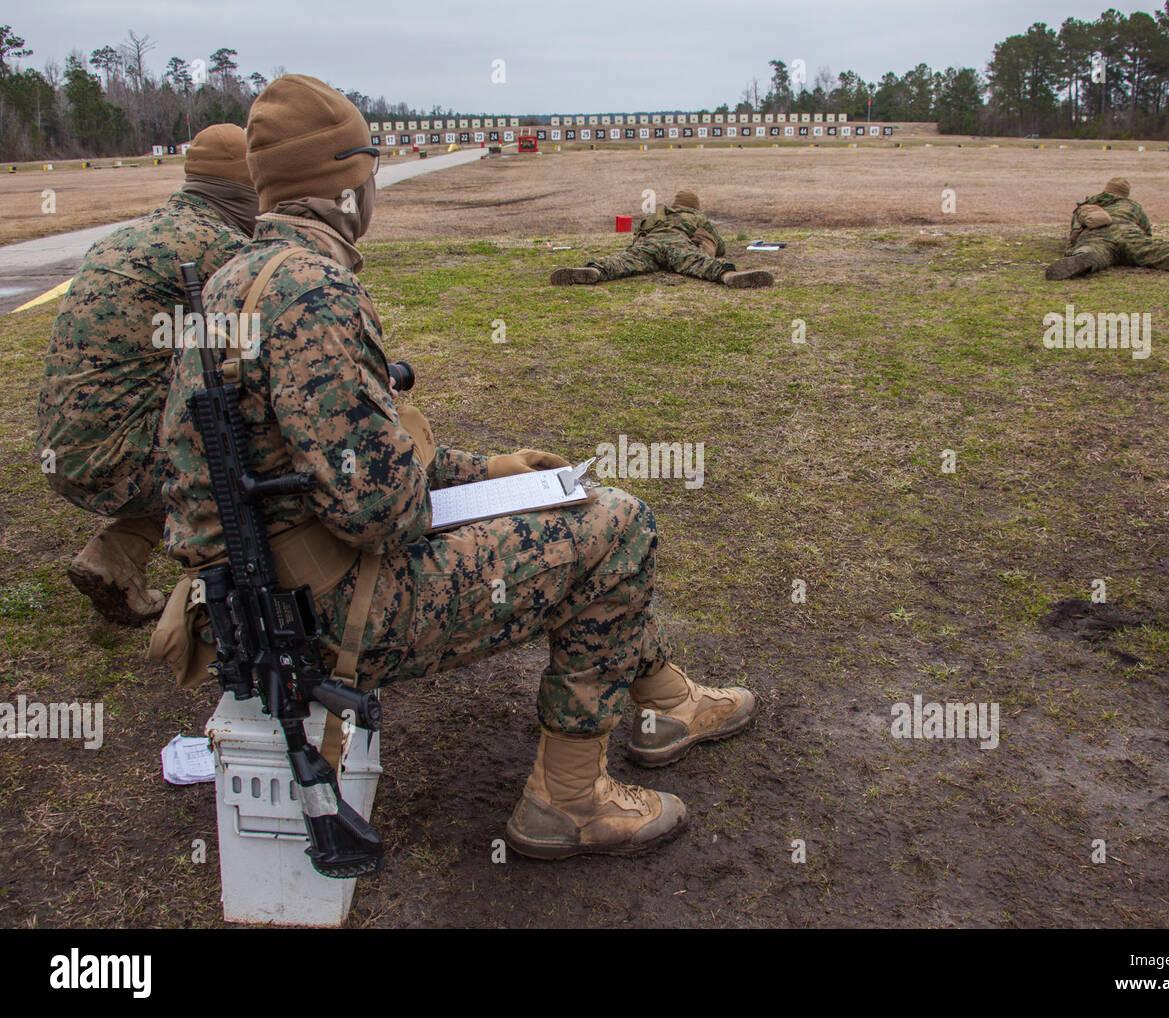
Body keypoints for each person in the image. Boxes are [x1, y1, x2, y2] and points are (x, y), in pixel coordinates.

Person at [155, 74, 757, 860]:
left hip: (272, 598)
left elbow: (323, 471)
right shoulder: (312, 293)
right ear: (345, 187)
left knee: (577, 515)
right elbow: (379, 511)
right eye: (366, 170)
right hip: (334, 617)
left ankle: (667, 702)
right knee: (619, 526)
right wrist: (482, 494)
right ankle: (569, 800)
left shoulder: (234, 280)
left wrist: (493, 470)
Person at [35, 124, 259, 625]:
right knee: (257, 442)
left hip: (65, 451)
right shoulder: (223, 249)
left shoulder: (134, 234)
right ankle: (233, 594)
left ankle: (113, 558)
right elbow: (263, 358)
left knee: (197, 419)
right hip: (117, 460)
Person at [550, 189, 774, 288]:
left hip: (648, 244)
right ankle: (729, 276)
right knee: (700, 263)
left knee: (622, 262)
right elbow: (720, 246)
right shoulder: (695, 216)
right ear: (694, 206)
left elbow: (638, 235)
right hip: (676, 243)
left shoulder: (656, 214)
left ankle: (595, 271)